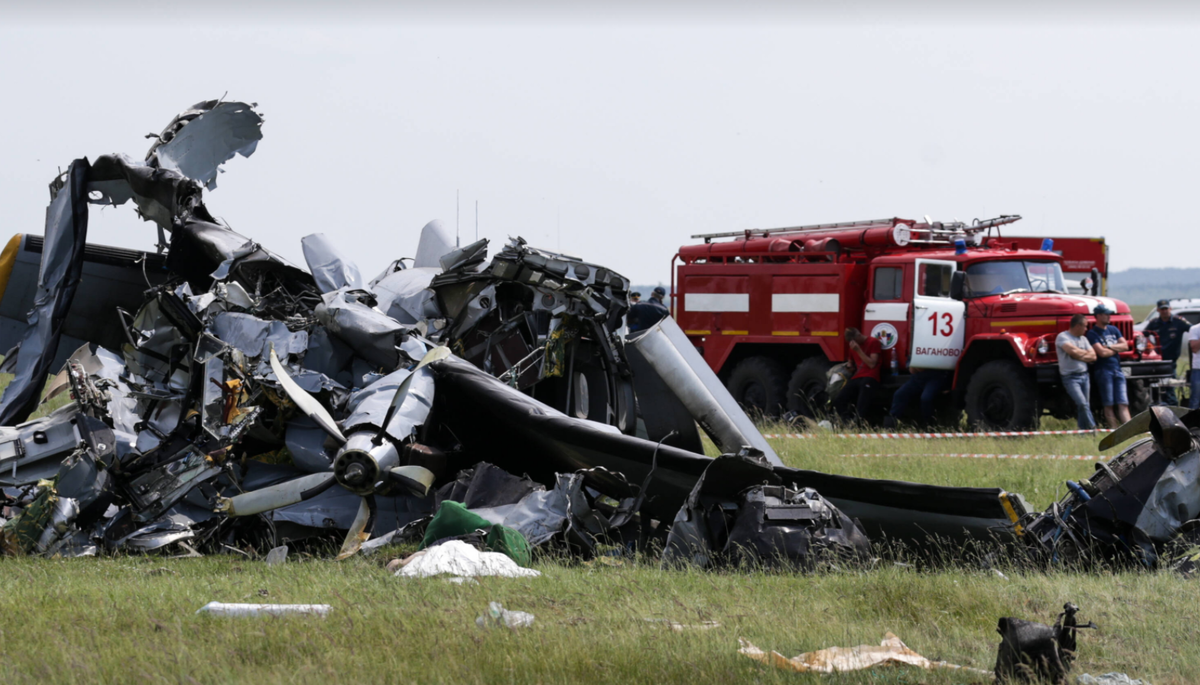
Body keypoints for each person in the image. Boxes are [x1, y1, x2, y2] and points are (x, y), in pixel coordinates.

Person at [1086, 304, 1131, 428]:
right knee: (1109, 403)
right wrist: (1116, 348)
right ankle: (1114, 430)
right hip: (1103, 371)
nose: (1108, 316)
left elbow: (1125, 346)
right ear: (1098, 316)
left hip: (1117, 369)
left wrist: (1110, 347)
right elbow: (1101, 353)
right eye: (1106, 314)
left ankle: (1129, 429)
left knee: (1123, 402)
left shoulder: (1113, 329)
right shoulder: (1092, 333)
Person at [1143, 299, 1192, 405]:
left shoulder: (1178, 322)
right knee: (1157, 388)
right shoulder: (1154, 323)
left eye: (1166, 309)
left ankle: (1173, 409)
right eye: (1162, 309)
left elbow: (1193, 330)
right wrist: (1149, 346)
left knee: (1169, 388)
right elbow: (1143, 336)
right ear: (1158, 310)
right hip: (1157, 362)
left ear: (1170, 308)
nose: (1164, 311)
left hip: (1171, 362)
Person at [1056, 313, 1097, 429]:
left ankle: (1083, 430)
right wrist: (1083, 354)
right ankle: (1092, 427)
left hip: (1084, 375)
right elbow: (1072, 352)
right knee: (1082, 403)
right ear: (1078, 326)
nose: (1086, 329)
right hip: (1070, 377)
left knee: (1085, 405)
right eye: (1085, 326)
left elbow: (1093, 356)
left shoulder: (1083, 339)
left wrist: (1079, 355)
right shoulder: (1063, 337)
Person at [832, 327, 882, 423]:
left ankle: (860, 422)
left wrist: (858, 350)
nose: (853, 344)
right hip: (857, 376)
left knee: (862, 399)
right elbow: (850, 363)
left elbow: (872, 364)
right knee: (839, 399)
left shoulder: (873, 342)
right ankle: (847, 422)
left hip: (870, 375)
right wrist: (849, 367)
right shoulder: (853, 346)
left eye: (854, 341)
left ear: (859, 335)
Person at [883, 368, 951, 428]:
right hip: (918, 377)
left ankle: (929, 426)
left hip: (937, 377)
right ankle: (889, 426)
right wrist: (917, 367)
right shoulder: (915, 353)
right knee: (899, 395)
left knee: (926, 398)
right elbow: (911, 370)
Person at [1189, 321, 1200, 409]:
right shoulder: (1195, 329)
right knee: (1195, 400)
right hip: (1198, 369)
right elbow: (1194, 348)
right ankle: (1193, 422)